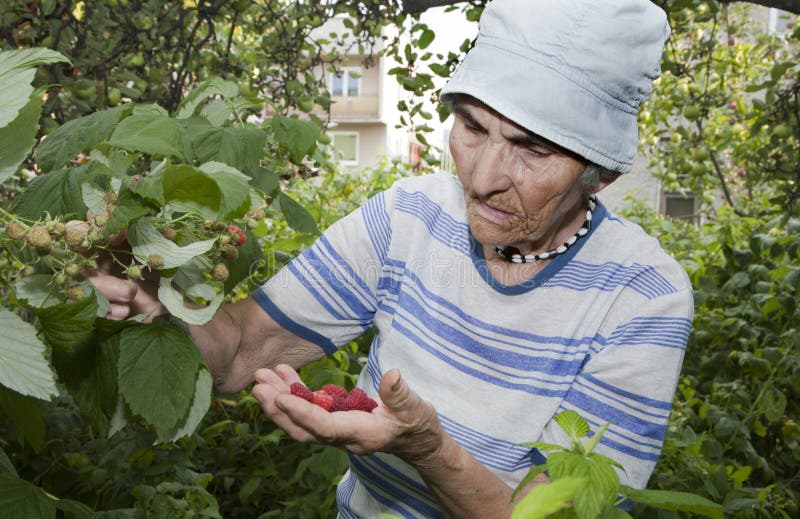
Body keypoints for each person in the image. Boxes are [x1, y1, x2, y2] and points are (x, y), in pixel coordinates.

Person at [89, 0, 693, 517]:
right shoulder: (410, 216)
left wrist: (426, 446)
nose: (482, 178)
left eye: (531, 150)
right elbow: (243, 351)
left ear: (601, 174)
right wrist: (163, 293)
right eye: (473, 127)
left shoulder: (643, 298)